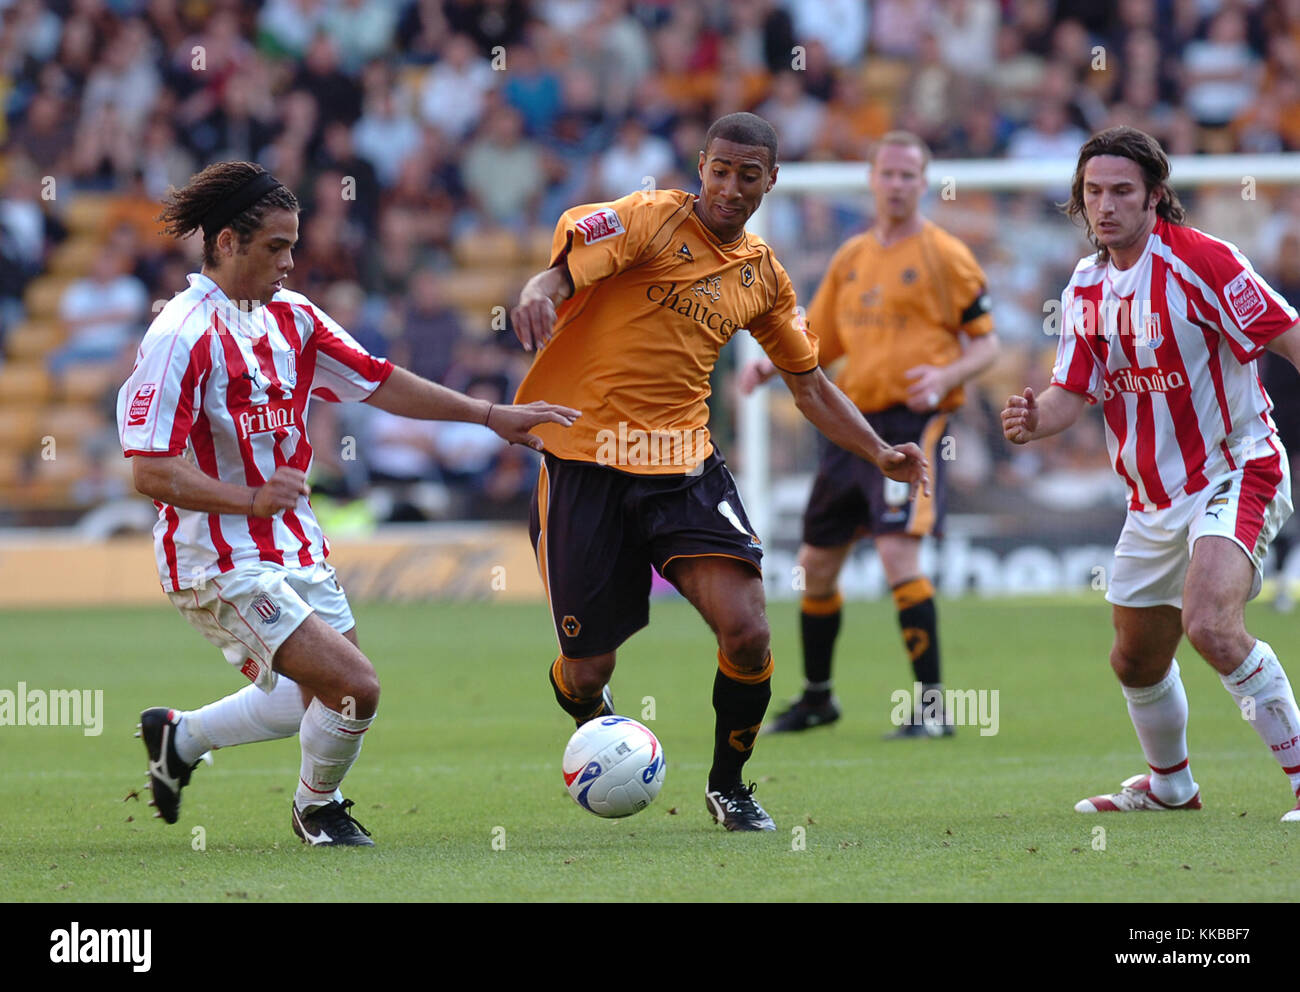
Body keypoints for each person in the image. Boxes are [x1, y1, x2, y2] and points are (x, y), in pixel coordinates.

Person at [120, 162, 578, 846]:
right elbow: (150, 469)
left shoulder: (294, 317)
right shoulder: (179, 336)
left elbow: (379, 381)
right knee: (354, 687)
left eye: (293, 245)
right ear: (226, 243)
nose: (289, 261)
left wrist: (489, 415)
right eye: (275, 246)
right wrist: (249, 497)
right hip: (215, 557)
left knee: (314, 696)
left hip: (292, 540)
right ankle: (318, 809)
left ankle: (179, 738)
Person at [509, 112, 930, 832]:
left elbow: (809, 386)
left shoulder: (763, 276)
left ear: (772, 180)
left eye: (749, 175)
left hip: (682, 467)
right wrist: (540, 288)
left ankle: (729, 786)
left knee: (748, 631)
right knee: (585, 671)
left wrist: (879, 451)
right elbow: (571, 261)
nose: (731, 188)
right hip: (585, 464)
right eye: (721, 171)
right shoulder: (649, 218)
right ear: (701, 166)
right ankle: (596, 716)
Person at [1000, 126, 1300, 821]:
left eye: (1121, 191)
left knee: (1211, 626)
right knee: (1134, 661)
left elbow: (1288, 336)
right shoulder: (1085, 286)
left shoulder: (1204, 261)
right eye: (1093, 192)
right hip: (1152, 498)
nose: (1105, 205)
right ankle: (1171, 787)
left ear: (1155, 196)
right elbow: (1071, 394)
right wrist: (1033, 420)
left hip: (1236, 467)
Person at [740, 131, 999, 739]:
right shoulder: (852, 256)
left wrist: (946, 376)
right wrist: (770, 366)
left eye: (909, 175)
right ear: (872, 179)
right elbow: (817, 337)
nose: (897, 184)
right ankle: (818, 698)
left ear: (924, 183)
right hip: (852, 425)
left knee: (896, 554)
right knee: (815, 563)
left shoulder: (946, 255)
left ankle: (932, 710)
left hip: (911, 425)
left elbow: (986, 345)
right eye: (889, 173)